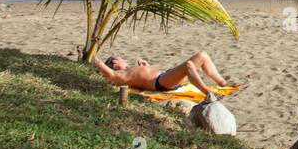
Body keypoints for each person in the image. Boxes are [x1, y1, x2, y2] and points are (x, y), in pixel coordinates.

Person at [90, 50, 235, 95]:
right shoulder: (119, 75)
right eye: (120, 58)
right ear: (115, 63)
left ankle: (222, 83)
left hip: (166, 76)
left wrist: (147, 66)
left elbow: (145, 75)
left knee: (202, 55)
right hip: (161, 82)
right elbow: (109, 74)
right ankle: (206, 91)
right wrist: (94, 58)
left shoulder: (130, 70)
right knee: (189, 65)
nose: (123, 59)